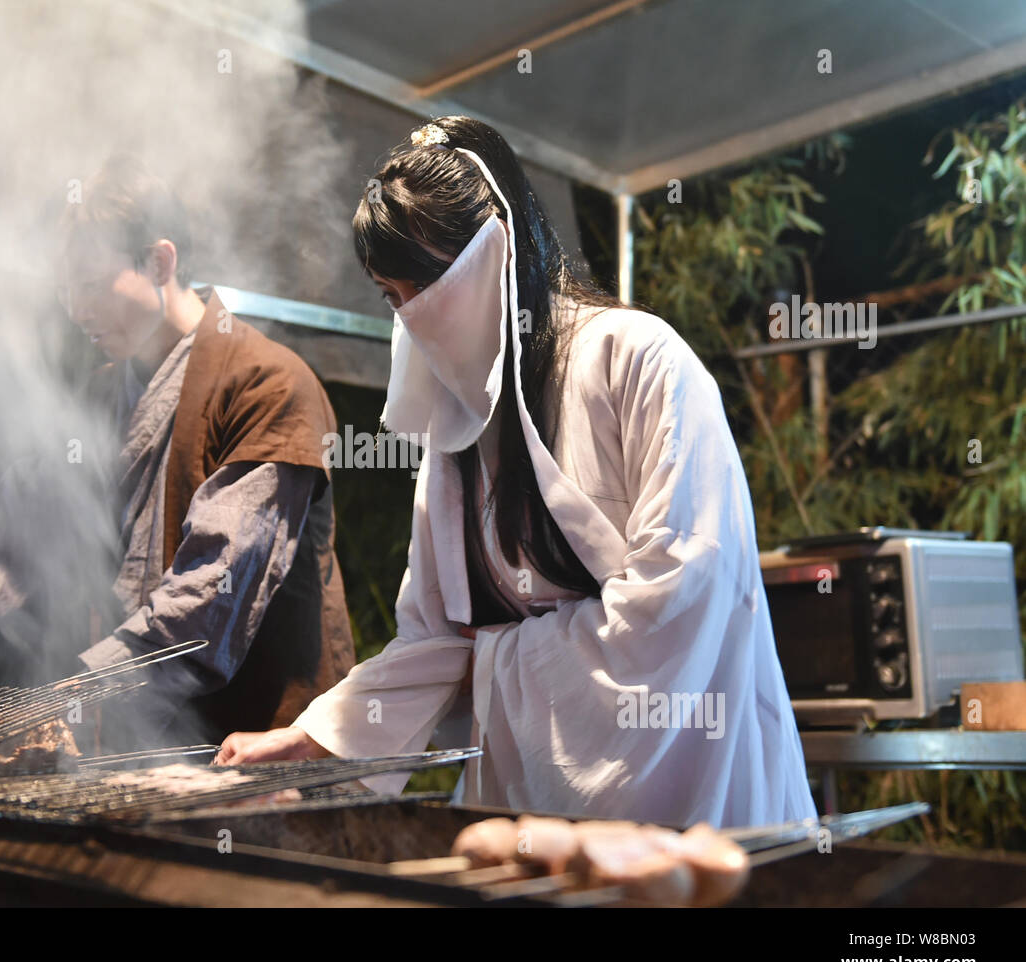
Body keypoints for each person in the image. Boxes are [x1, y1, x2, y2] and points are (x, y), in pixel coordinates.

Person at [216, 116, 816, 828]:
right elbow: (438, 641)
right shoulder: (453, 432)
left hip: (700, 799)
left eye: (427, 281)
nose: (413, 317)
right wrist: (312, 736)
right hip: (535, 829)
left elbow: (684, 596)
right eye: (392, 295)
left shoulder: (639, 360)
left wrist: (494, 658)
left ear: (497, 247)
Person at [0, 154, 355, 749]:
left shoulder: (267, 385)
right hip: (143, 750)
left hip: (266, 749)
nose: (75, 308)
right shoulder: (100, 395)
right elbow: (15, 529)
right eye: (64, 287)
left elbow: (211, 590)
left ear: (160, 261)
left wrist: (67, 703)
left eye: (90, 283)